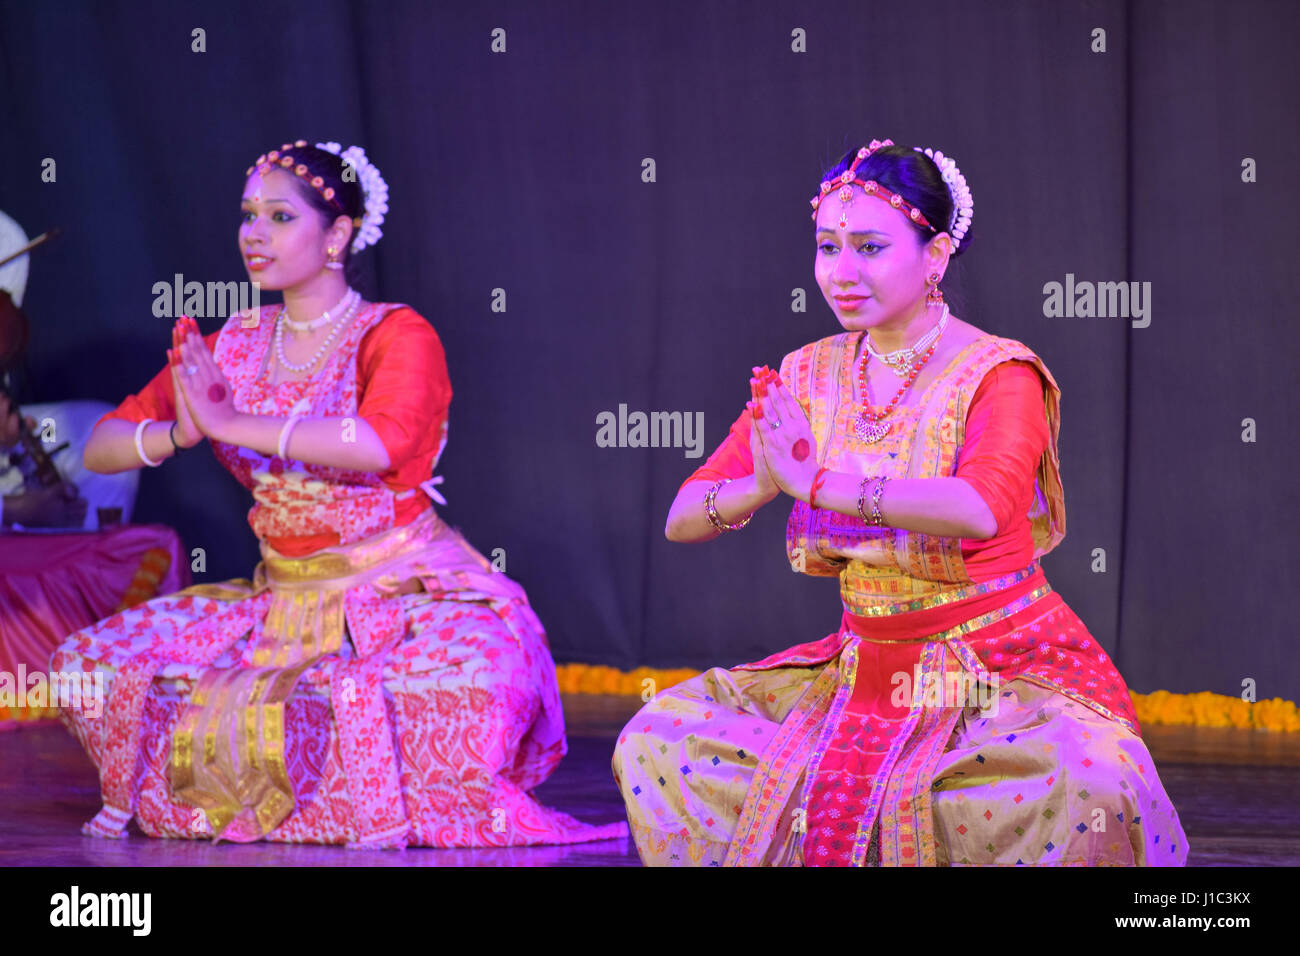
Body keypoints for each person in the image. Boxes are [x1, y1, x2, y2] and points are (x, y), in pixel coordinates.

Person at [612, 138, 1188, 866]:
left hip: (999, 662)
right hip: (864, 668)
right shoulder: (808, 372)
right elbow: (682, 518)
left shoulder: (998, 373)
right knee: (657, 739)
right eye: (827, 247)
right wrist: (764, 481)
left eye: (869, 247)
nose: (841, 274)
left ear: (937, 254)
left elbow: (982, 507)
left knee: (1089, 782)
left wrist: (819, 485)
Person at [53, 139, 625, 848]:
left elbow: (383, 442)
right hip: (280, 600)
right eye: (247, 215)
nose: (253, 234)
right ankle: (332, 801)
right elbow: (102, 443)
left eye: (279, 217)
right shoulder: (231, 344)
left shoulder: (394, 333)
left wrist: (236, 420)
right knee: (90, 665)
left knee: (471, 682)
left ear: (340, 235)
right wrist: (179, 435)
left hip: (401, 591)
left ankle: (358, 798)